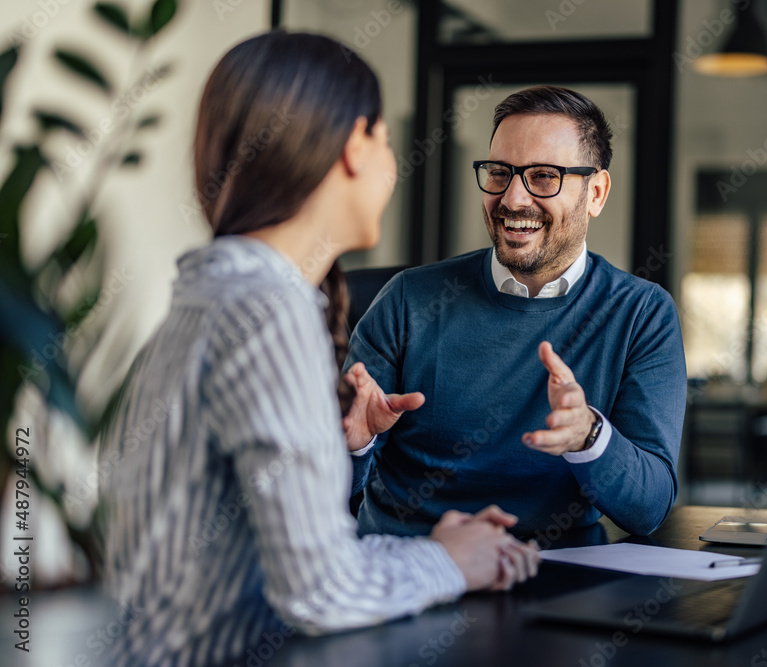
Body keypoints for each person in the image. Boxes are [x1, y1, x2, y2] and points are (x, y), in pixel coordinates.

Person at [97, 32, 538, 666]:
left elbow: (289, 560)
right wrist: (446, 562)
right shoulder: (265, 312)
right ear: (357, 146)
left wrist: (433, 548)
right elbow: (319, 593)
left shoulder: (214, 294)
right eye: (386, 140)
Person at [343, 86, 687, 543]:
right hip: (413, 577)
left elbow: (649, 509)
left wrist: (589, 436)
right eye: (500, 173)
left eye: (544, 176)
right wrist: (352, 447)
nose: (513, 199)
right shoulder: (409, 299)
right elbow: (316, 495)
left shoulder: (642, 313)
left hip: (558, 585)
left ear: (596, 193)